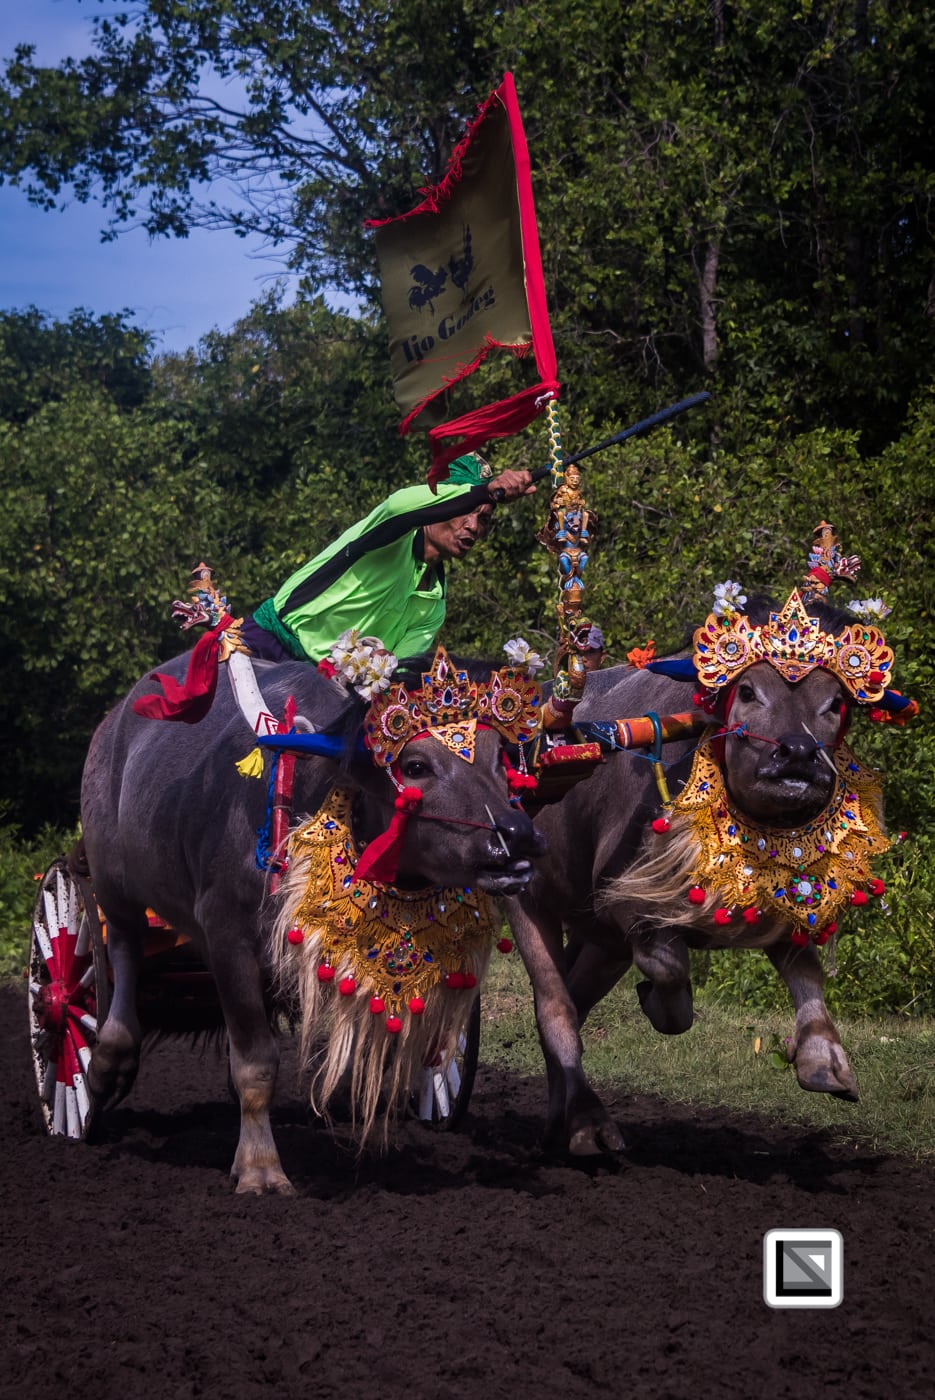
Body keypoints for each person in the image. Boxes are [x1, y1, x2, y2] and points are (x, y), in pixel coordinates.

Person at [240, 452, 535, 665]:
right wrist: (483, 492)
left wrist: (386, 662)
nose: (472, 525)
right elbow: (397, 506)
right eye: (465, 510)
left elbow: (398, 669)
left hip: (322, 688)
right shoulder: (390, 534)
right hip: (270, 644)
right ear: (440, 504)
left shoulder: (435, 605)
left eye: (483, 519)